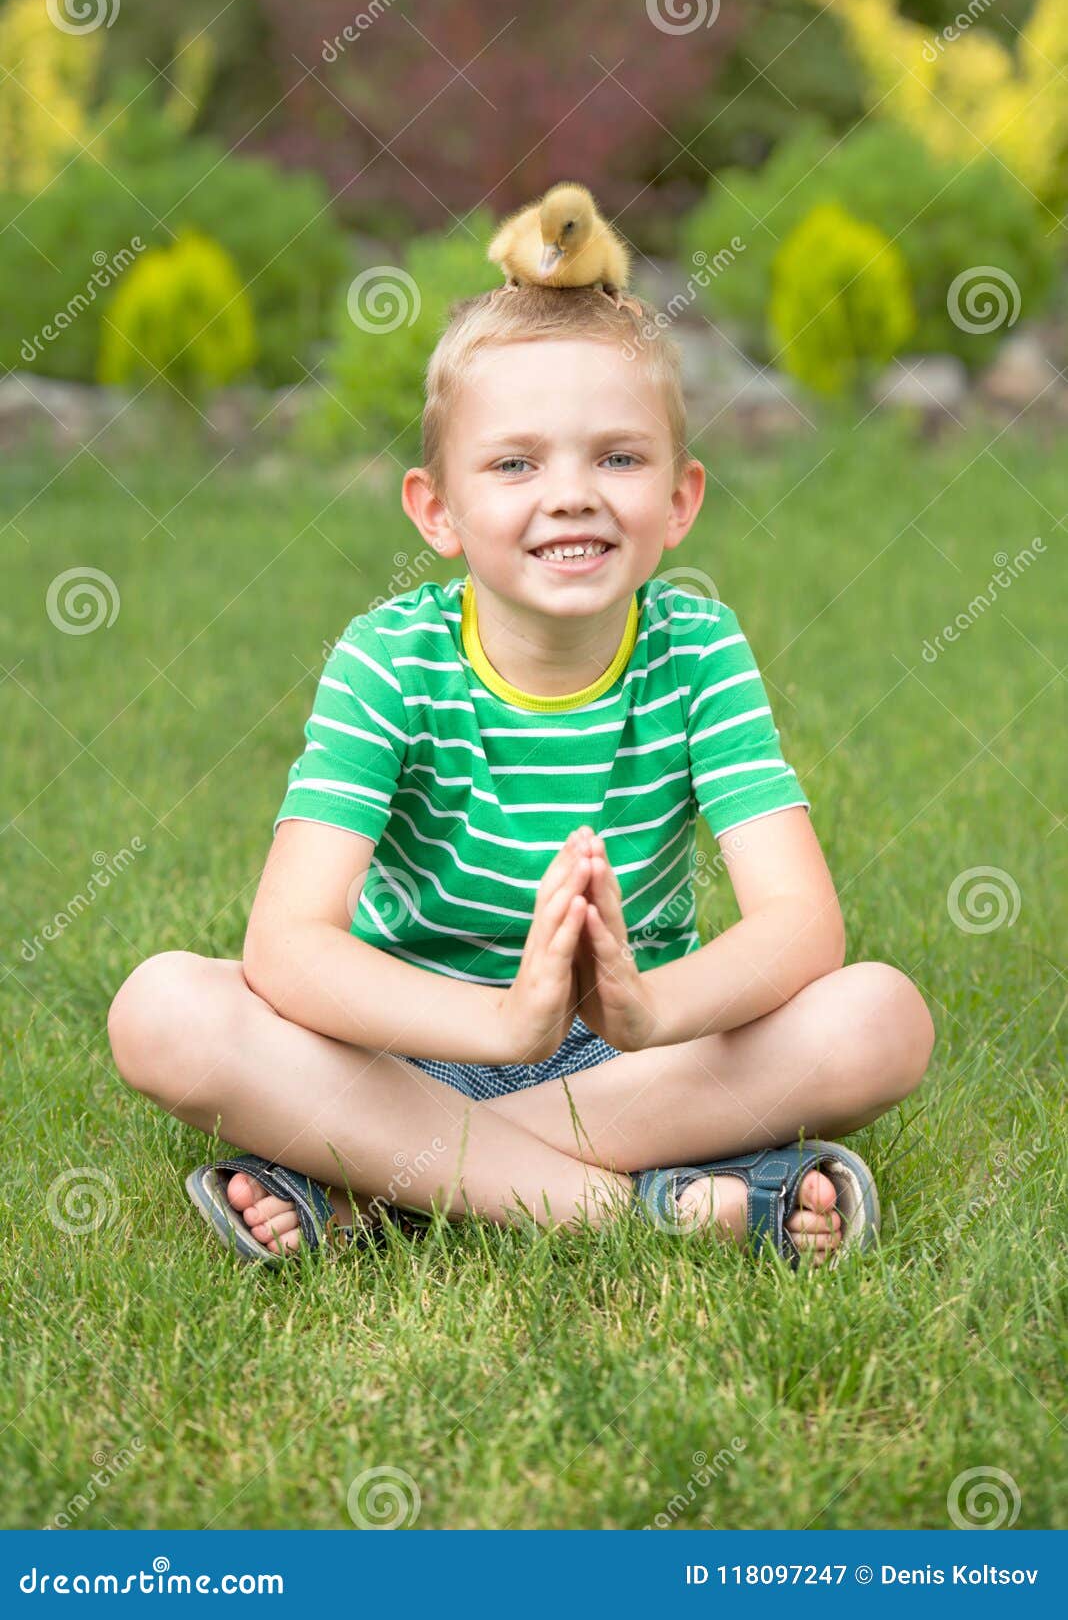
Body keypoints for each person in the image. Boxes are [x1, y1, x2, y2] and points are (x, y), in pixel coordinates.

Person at [107, 283, 934, 1266]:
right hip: (403, 1046)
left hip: (623, 1064)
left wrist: (649, 1011)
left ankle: (383, 1185)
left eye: (618, 457)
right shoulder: (389, 659)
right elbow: (286, 947)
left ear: (679, 500)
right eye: (515, 463)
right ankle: (637, 1207)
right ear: (438, 509)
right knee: (162, 1011)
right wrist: (499, 1022)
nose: (573, 492)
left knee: (881, 1017)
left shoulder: (700, 650)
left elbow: (803, 924)